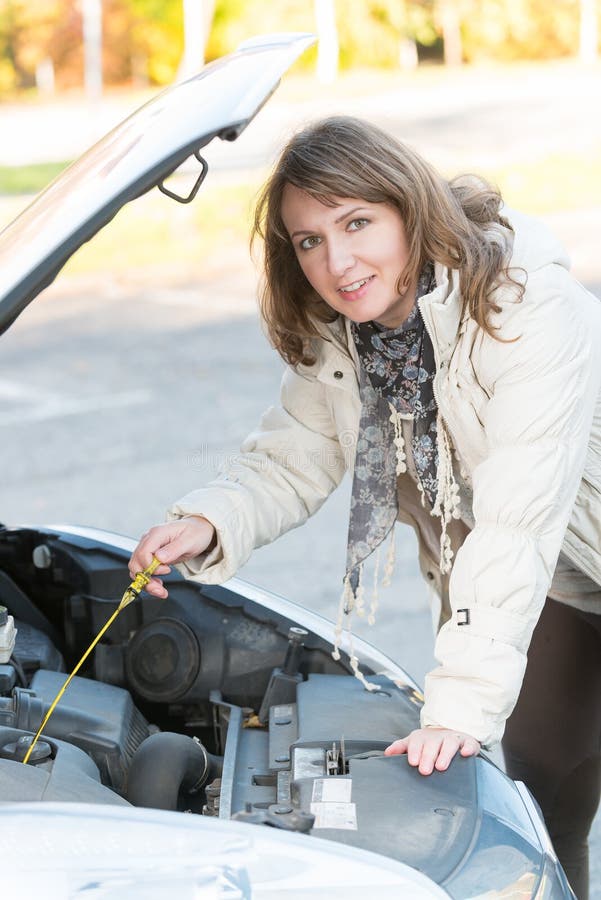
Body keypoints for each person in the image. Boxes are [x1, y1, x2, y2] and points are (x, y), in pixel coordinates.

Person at [129, 116, 601, 899]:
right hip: (557, 580)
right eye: (308, 240)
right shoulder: (350, 333)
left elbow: (516, 515)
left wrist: (458, 707)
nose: (336, 262)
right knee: (540, 809)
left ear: (407, 208)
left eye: (356, 223)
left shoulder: (524, 305)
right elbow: (295, 450)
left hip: (538, 546)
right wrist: (208, 520)